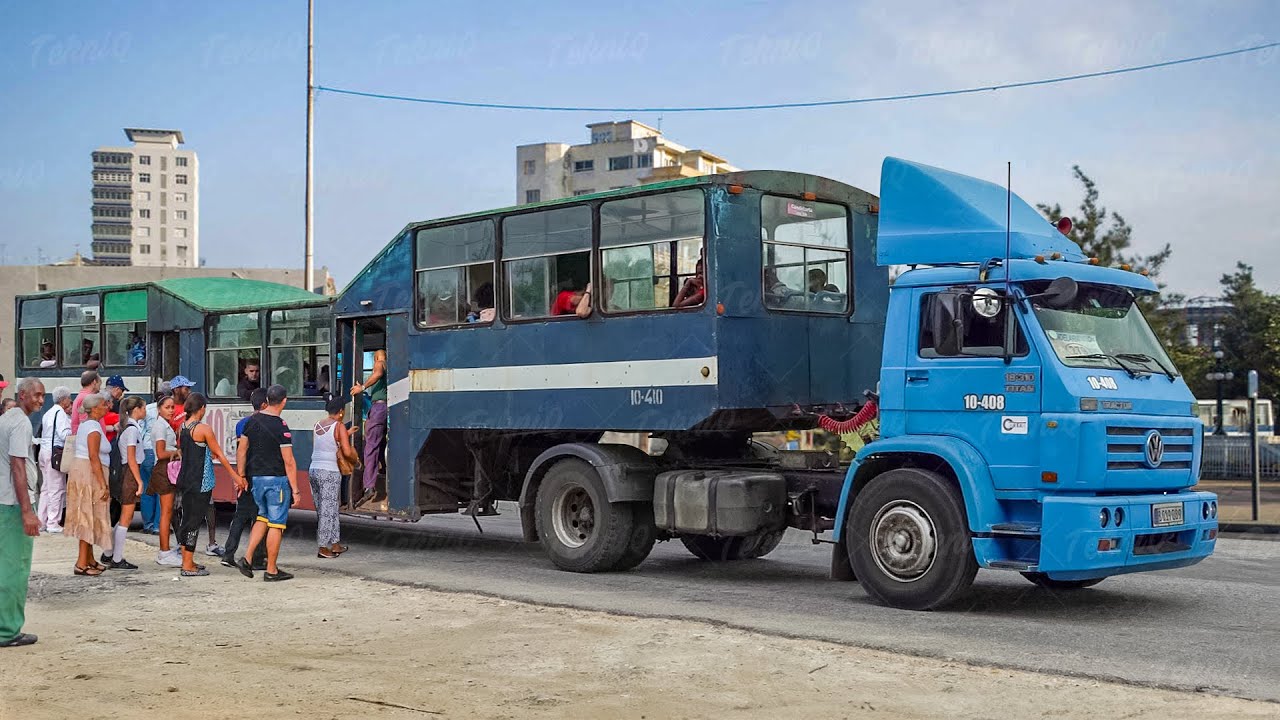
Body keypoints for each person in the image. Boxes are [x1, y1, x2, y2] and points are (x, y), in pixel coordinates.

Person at [234, 384, 299, 581]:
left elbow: (242, 450)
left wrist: (241, 476)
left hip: (256, 480)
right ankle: (271, 570)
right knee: (276, 524)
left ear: (267, 400)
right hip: (276, 480)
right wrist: (296, 489)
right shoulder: (281, 426)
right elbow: (289, 461)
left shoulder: (251, 422)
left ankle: (247, 558)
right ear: (284, 401)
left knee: (262, 517)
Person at [174, 393, 240, 577]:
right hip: (201, 481)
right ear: (202, 408)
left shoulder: (182, 427)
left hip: (185, 478)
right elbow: (220, 454)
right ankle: (188, 566)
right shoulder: (203, 429)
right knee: (194, 522)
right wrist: (235, 476)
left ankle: (186, 560)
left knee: (187, 519)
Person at [0, 377, 44, 648]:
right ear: (23, 395)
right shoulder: (21, 423)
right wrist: (27, 511)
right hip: (14, 505)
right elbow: (18, 466)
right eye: (36, 395)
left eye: (43, 395)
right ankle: (7, 631)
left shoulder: (6, 419)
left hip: (5, 502)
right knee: (15, 569)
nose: (41, 400)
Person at [167, 376, 223, 557]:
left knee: (205, 508)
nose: (188, 391)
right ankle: (182, 548)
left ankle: (209, 544)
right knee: (182, 511)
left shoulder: (189, 420)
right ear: (176, 390)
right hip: (186, 469)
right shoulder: (171, 410)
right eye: (185, 388)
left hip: (194, 469)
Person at [64, 393, 113, 577]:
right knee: (88, 515)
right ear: (94, 409)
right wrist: (103, 484)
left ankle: (89, 559)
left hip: (84, 471)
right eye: (103, 404)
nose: (107, 407)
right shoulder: (93, 427)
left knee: (89, 514)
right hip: (89, 474)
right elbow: (94, 457)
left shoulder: (88, 425)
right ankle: (81, 562)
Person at [220, 388, 269, 571]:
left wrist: (240, 475)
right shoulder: (268, 423)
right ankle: (257, 557)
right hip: (260, 474)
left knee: (240, 515)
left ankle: (228, 553)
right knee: (260, 517)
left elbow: (241, 451)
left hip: (245, 473)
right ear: (264, 404)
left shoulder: (241, 424)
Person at [102, 397, 146, 570]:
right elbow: (131, 458)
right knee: (126, 518)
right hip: (129, 473)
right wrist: (139, 481)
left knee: (123, 517)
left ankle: (108, 552)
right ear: (136, 409)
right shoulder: (132, 430)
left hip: (125, 472)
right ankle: (117, 558)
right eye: (143, 408)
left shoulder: (125, 427)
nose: (145, 411)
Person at [310, 396, 355, 559]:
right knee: (328, 510)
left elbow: (325, 443)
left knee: (328, 508)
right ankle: (323, 548)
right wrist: (356, 461)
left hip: (314, 469)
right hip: (329, 472)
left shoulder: (317, 425)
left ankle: (335, 544)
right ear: (341, 411)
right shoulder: (339, 426)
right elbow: (347, 451)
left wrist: (345, 434)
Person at [350, 348, 388, 506]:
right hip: (385, 409)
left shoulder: (380, 363)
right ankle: (383, 472)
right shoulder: (390, 368)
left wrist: (362, 387)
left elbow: (377, 373)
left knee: (370, 447)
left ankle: (369, 486)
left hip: (378, 408)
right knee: (381, 443)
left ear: (376, 358)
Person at [150, 394, 182, 567]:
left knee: (168, 511)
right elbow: (161, 453)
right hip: (163, 469)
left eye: (172, 407)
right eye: (167, 407)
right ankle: (164, 551)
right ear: (159, 409)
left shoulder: (165, 425)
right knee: (166, 512)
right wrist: (177, 452)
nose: (171, 410)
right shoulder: (160, 426)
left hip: (167, 468)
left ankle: (166, 550)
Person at [36, 386, 72, 534]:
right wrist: (73, 431)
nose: (69, 401)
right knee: (57, 488)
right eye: (68, 398)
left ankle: (41, 521)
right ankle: (53, 522)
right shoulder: (61, 414)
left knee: (46, 488)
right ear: (63, 400)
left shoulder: (48, 413)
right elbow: (64, 434)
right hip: (55, 454)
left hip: (44, 452)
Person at [69, 371, 102, 436]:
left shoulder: (81, 396)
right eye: (99, 384)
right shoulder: (87, 398)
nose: (100, 388)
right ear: (94, 382)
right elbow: (86, 424)